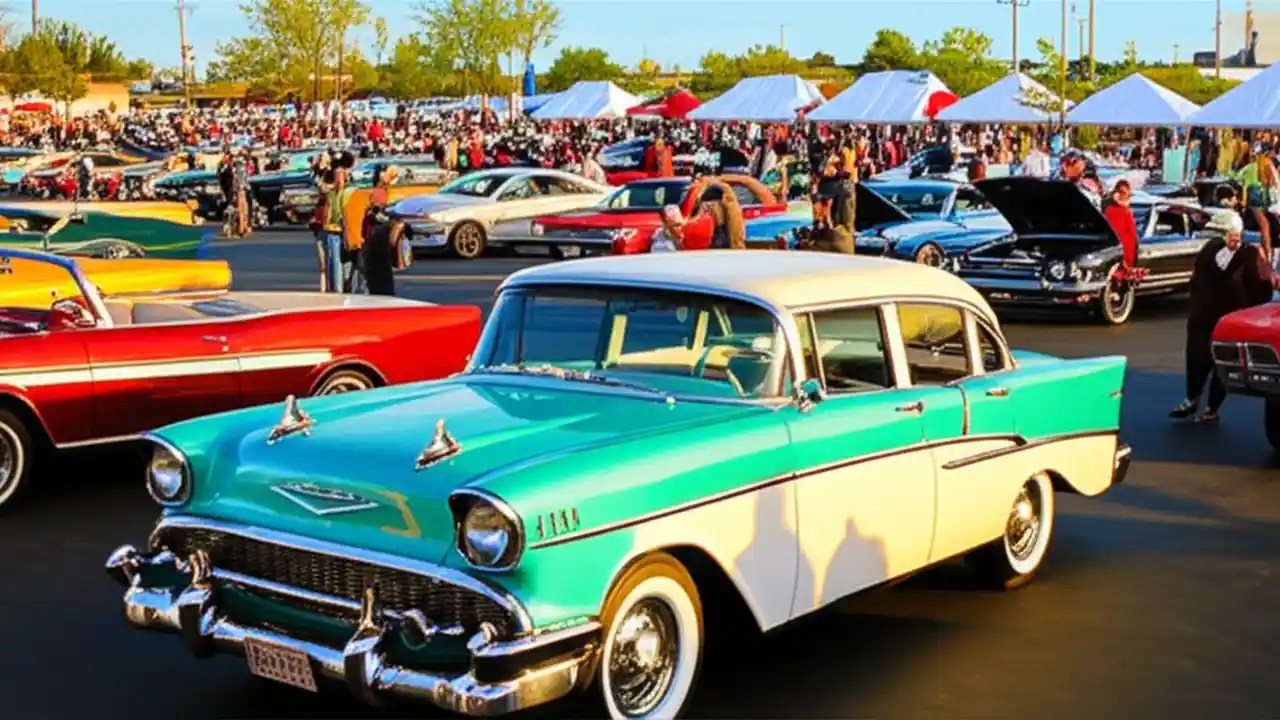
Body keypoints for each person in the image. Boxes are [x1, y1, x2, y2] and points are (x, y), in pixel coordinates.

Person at [1171, 210, 1275, 423]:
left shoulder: (1249, 255)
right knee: (1196, 358)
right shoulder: (1209, 250)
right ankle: (1192, 398)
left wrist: (1252, 314)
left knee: (1221, 364)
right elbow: (1198, 280)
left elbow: (1259, 287)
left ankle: (1212, 408)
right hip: (1203, 317)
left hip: (1229, 321)